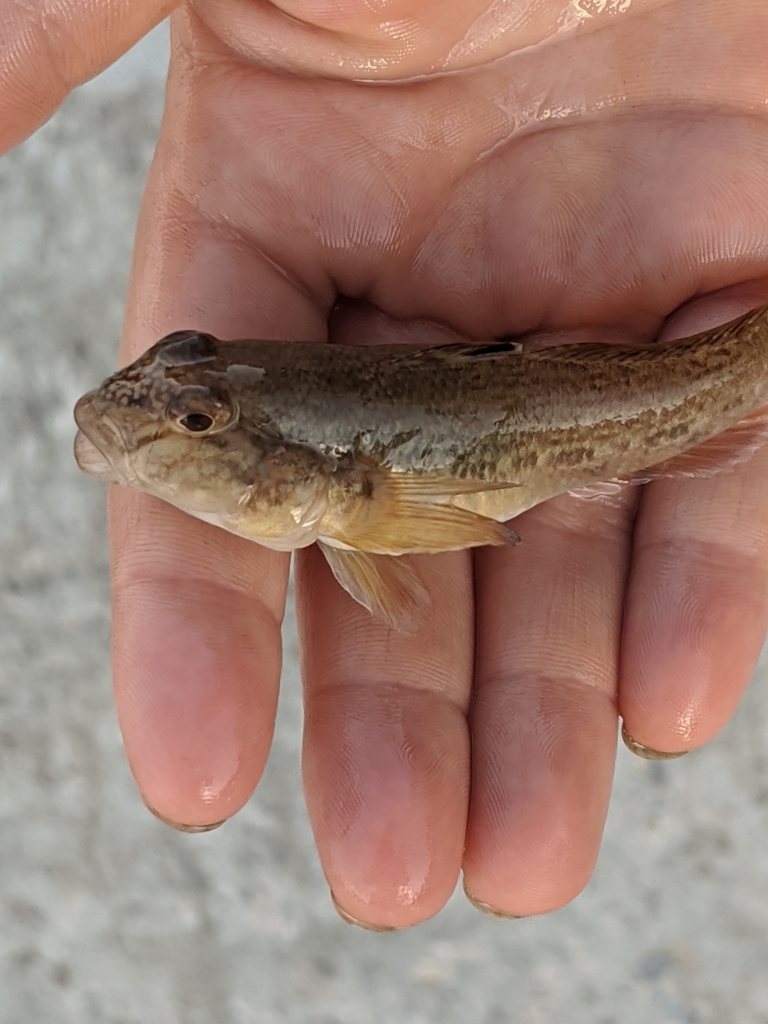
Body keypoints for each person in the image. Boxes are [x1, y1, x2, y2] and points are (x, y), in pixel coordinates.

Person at [3, 0, 768, 931]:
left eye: (197, 415)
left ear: (304, 474)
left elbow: (402, 547)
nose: (155, 423)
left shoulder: (343, 494)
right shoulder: (314, 469)